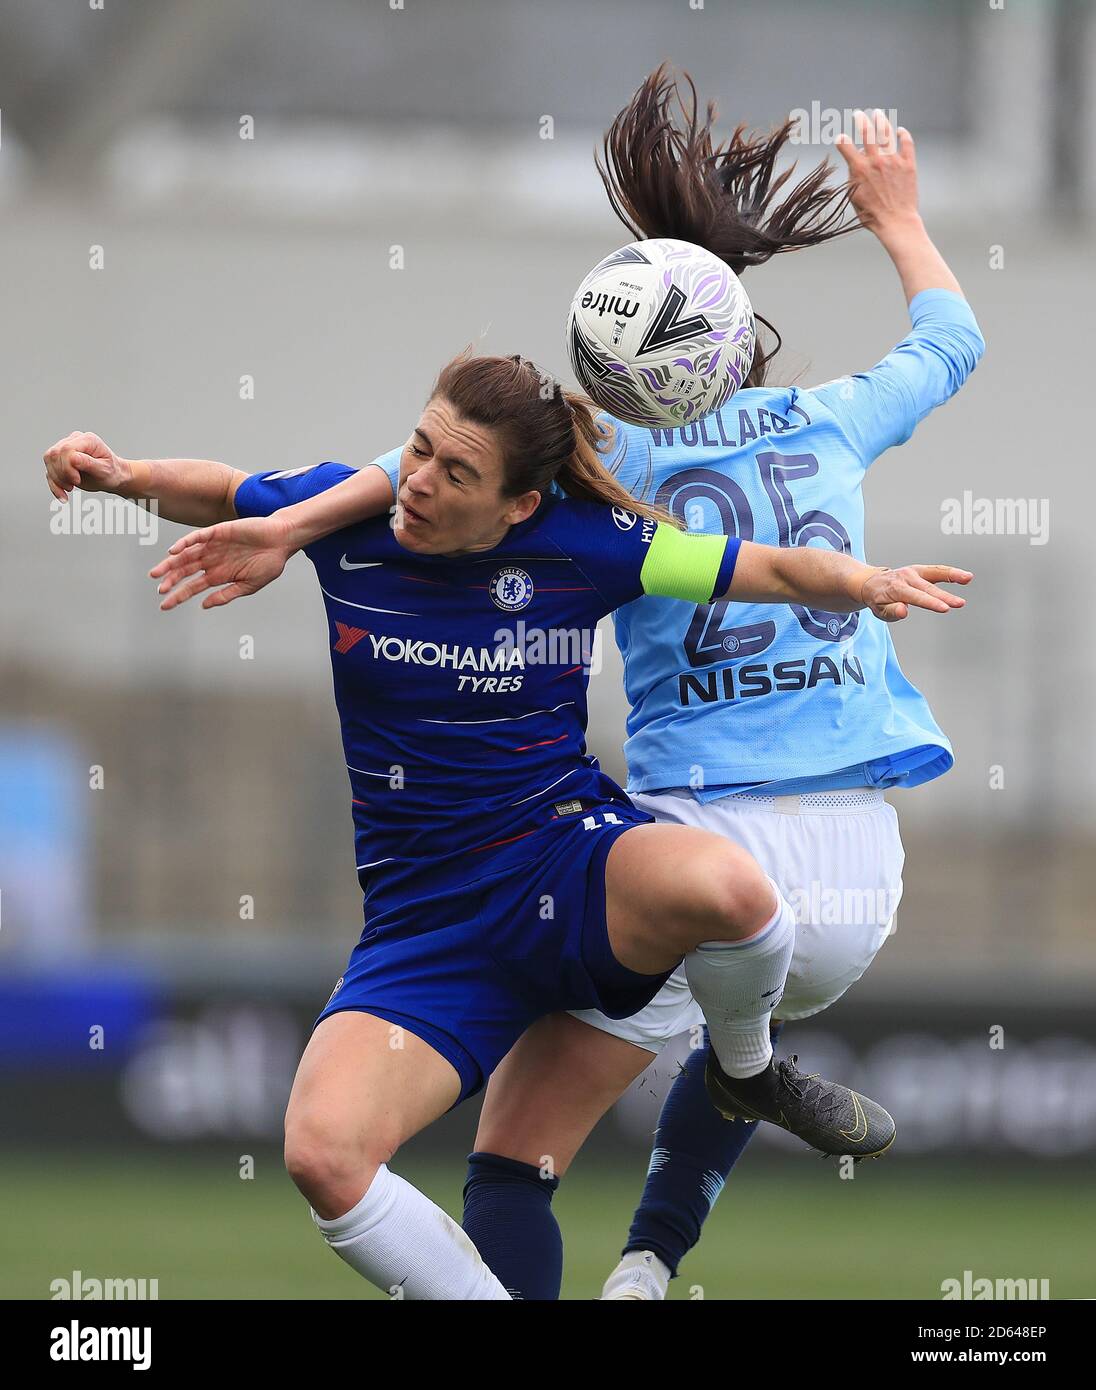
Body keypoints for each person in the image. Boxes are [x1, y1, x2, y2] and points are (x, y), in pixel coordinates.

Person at [45, 353, 968, 1300]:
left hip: (566, 861)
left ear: (520, 506)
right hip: (427, 921)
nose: (420, 482)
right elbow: (228, 488)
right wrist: (123, 477)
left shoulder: (590, 541)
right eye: (417, 450)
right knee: (324, 1154)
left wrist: (861, 583)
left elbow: (754, 565)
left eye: (458, 474)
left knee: (734, 893)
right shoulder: (350, 518)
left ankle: (746, 1070)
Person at [453, 74, 986, 1300]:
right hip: (857, 876)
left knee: (511, 1153)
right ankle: (648, 1268)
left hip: (701, 840)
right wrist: (895, 214)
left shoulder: (600, 456)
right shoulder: (836, 418)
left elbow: (421, 470)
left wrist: (252, 507)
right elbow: (952, 342)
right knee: (741, 1022)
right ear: (739, 339)